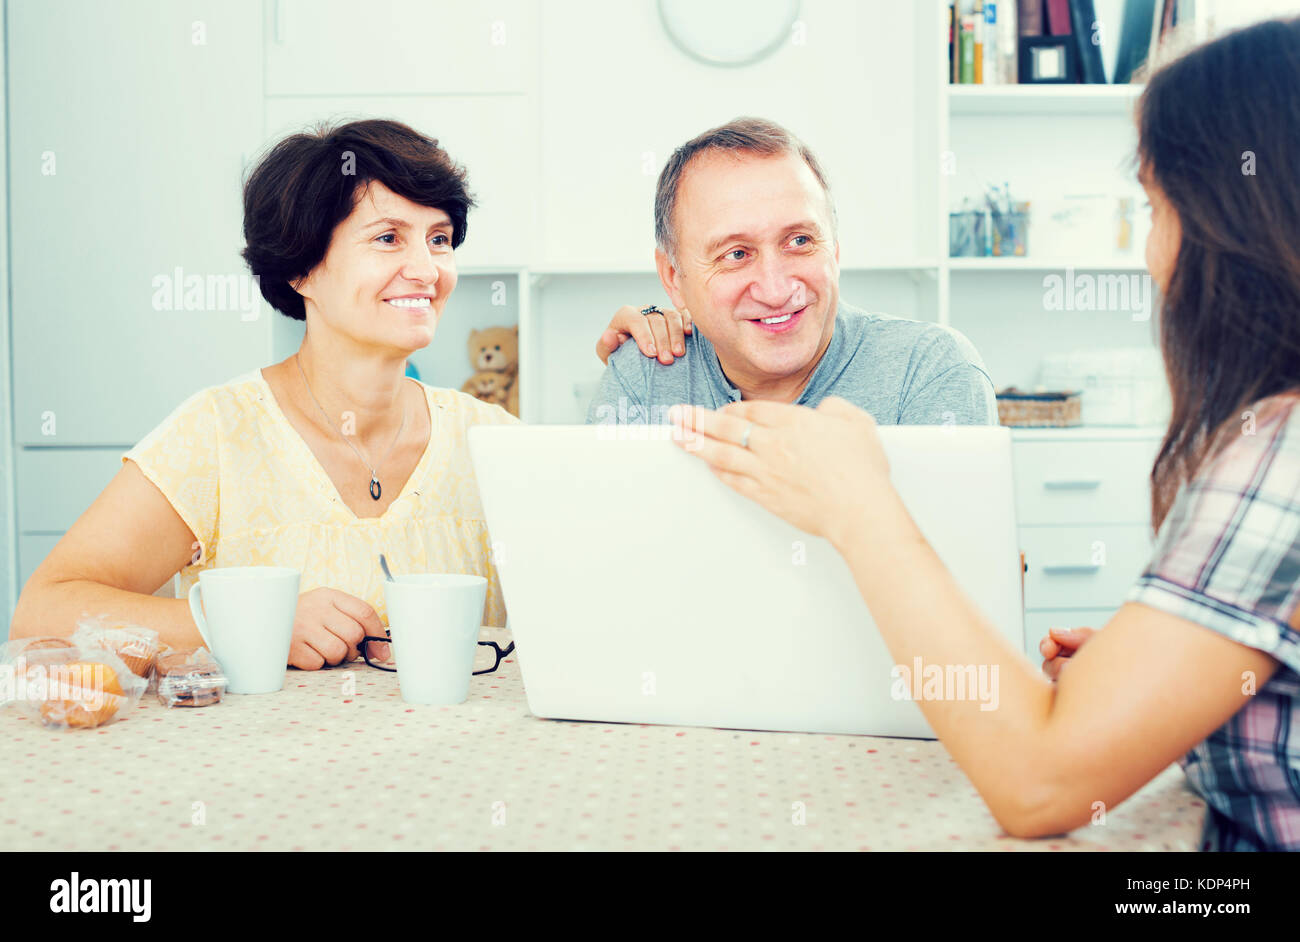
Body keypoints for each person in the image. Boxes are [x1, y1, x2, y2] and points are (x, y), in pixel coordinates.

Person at [670, 18, 1300, 851]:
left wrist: (857, 502)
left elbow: (1036, 788)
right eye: (732, 255)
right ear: (674, 278)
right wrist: (1149, 672)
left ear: (1242, 220)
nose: (1151, 253)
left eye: (1155, 205)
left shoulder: (1277, 460)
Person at [6, 119, 675, 670]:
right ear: (301, 267)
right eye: (388, 239)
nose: (427, 270)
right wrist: (243, 625)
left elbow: (615, 596)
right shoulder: (217, 434)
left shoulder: (492, 439)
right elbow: (43, 611)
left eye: (439, 239)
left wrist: (648, 377)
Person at [587, 117, 997, 426]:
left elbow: (946, 542)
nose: (775, 289)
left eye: (799, 241)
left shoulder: (930, 373)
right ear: (674, 278)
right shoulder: (644, 378)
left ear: (834, 250)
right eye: (736, 254)